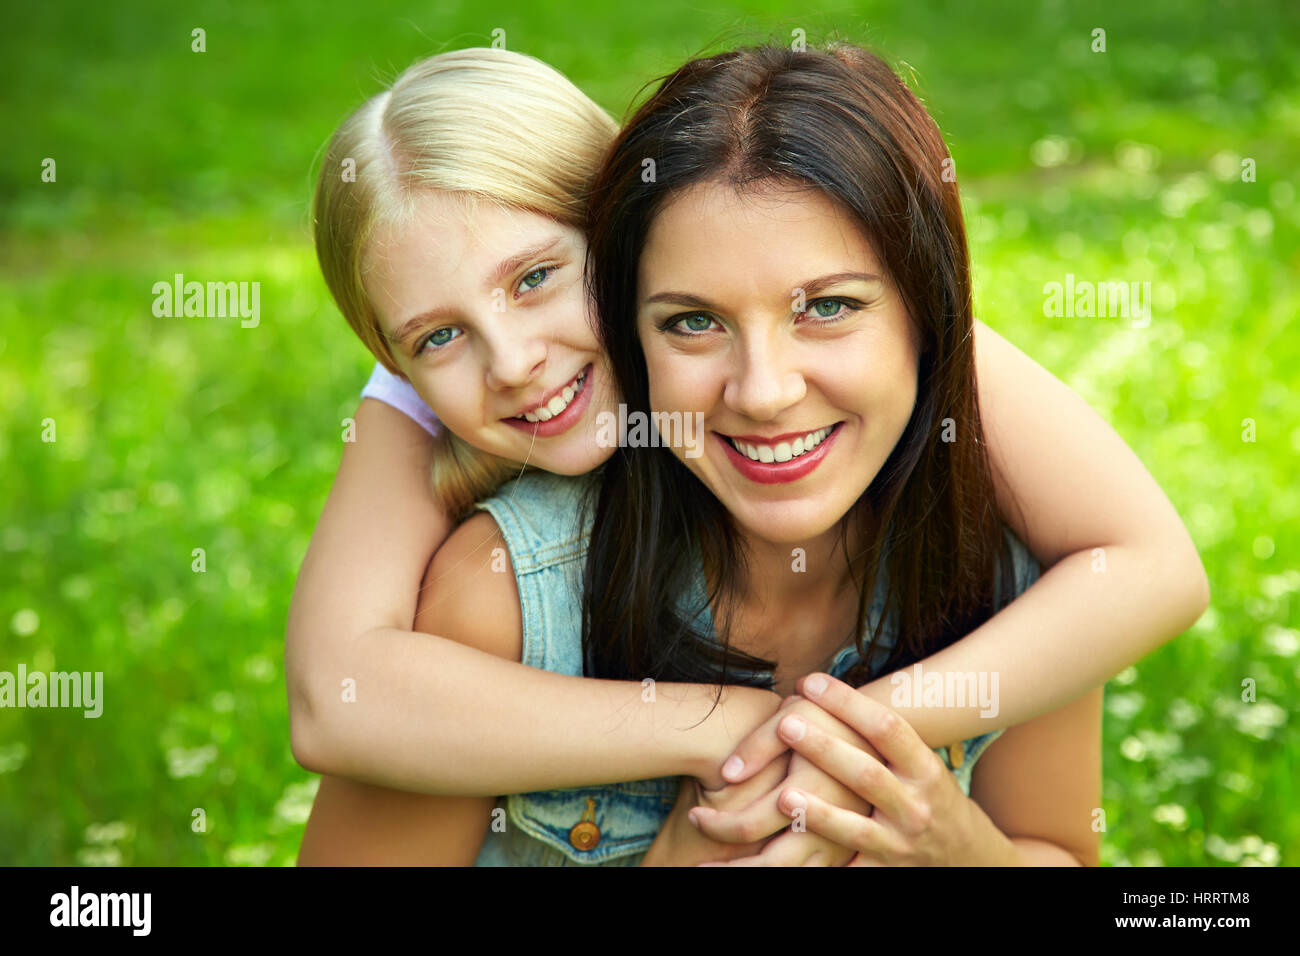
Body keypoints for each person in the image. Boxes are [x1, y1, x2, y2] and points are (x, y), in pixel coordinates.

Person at [290, 44, 1209, 865]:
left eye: (536, 279)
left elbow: (1151, 568)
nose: (516, 361)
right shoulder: (499, 574)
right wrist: (728, 729)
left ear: (616, 242)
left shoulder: (987, 533)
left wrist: (906, 801)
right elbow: (337, 699)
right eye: (436, 339)